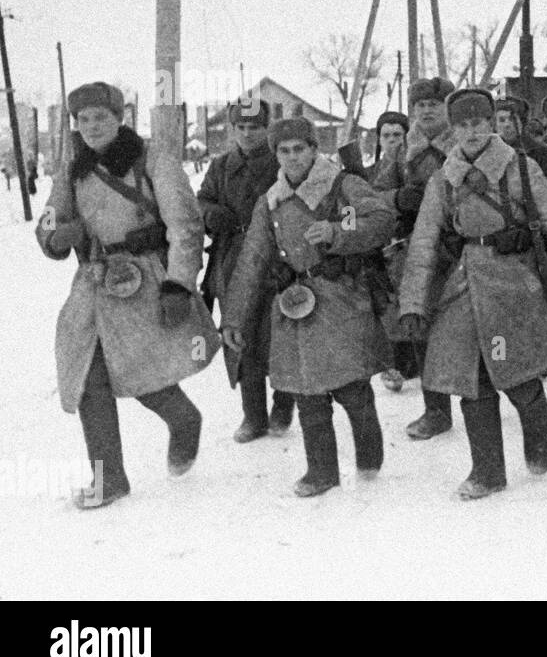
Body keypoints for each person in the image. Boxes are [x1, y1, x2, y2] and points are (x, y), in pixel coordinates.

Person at [398, 88, 547, 500]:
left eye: (478, 123)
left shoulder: (521, 168)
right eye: (462, 125)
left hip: (512, 286)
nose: (470, 132)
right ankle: (487, 472)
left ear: (491, 124)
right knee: (472, 381)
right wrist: (412, 302)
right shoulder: (443, 179)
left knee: (515, 373)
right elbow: (424, 240)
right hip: (465, 288)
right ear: (453, 128)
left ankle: (538, 428)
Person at [37, 81, 217, 509]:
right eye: (83, 119)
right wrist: (56, 236)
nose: (92, 126)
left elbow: (186, 226)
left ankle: (184, 419)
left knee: (138, 370)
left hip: (146, 277)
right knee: (87, 378)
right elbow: (47, 219)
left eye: (101, 117)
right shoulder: (72, 168)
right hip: (95, 281)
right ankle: (109, 480)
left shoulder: (153, 158)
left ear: (121, 118)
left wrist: (179, 283)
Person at [222, 118, 394, 497]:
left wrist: (338, 232)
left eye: (300, 148)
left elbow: (381, 219)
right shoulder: (270, 202)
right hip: (295, 304)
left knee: (351, 386)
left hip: (341, 297)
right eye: (284, 151)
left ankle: (369, 459)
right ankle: (321, 472)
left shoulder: (342, 186)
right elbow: (252, 259)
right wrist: (234, 317)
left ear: (315, 150)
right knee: (306, 391)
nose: (292, 157)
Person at [197, 98, 296, 441]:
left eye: (255, 127)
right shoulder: (221, 166)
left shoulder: (281, 161)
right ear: (232, 129)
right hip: (233, 258)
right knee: (240, 335)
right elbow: (203, 199)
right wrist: (211, 214)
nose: (248, 134)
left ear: (266, 128)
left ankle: (284, 405)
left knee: (282, 331)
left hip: (279, 257)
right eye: (241, 127)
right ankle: (253, 416)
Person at [378, 78, 458, 438]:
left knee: (475, 324)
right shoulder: (401, 154)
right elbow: (373, 198)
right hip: (416, 250)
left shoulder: (463, 145)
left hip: (461, 247)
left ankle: (493, 400)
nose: (426, 110)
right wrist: (398, 199)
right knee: (420, 326)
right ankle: (436, 410)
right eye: (420, 104)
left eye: (435, 104)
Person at [495, 96, 547, 179]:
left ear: (522, 122)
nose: (507, 125)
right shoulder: (489, 152)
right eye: (502, 120)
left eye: (512, 119)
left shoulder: (542, 153)